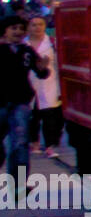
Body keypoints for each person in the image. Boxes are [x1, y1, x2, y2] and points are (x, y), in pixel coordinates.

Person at [0, 15, 50, 183]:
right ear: (5, 31)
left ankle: (18, 184)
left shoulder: (26, 50)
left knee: (20, 144)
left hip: (20, 101)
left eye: (21, 29)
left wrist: (43, 69)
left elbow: (40, 72)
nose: (18, 32)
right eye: (13, 28)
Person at [25, 15, 62, 156]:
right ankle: (34, 143)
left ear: (45, 26)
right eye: (34, 25)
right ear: (29, 27)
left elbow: (58, 63)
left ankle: (49, 146)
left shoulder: (52, 43)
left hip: (50, 83)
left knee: (49, 115)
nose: (37, 27)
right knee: (32, 115)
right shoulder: (24, 45)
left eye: (40, 24)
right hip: (29, 83)